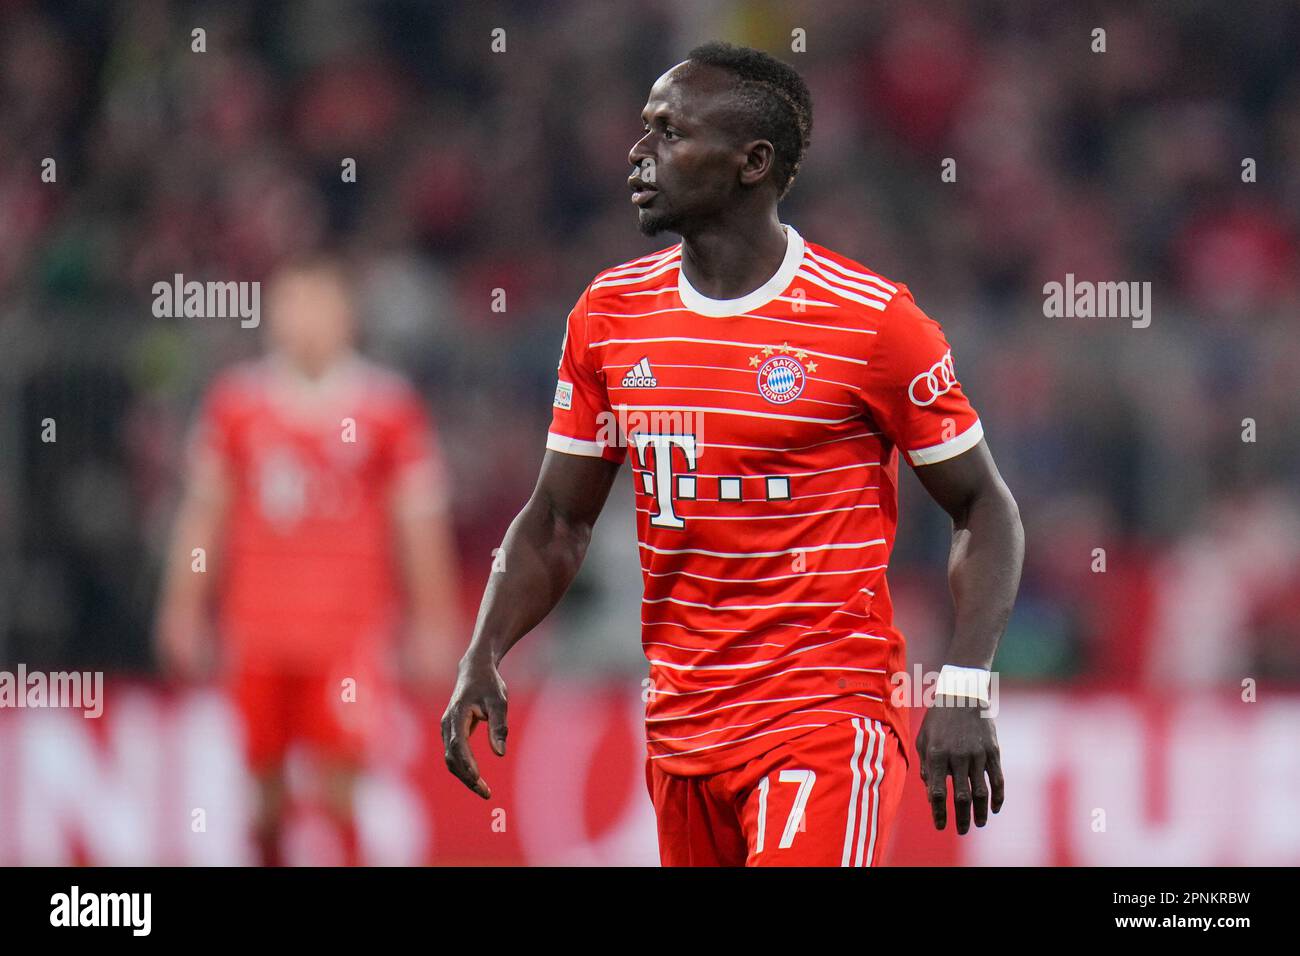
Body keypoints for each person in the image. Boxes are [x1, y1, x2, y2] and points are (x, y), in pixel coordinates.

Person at [442, 42, 1023, 866]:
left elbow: (984, 507)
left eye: (670, 134)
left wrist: (965, 681)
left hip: (823, 719)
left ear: (752, 163)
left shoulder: (873, 323)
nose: (639, 155)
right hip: (680, 733)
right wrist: (484, 649)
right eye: (645, 130)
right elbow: (557, 520)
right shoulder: (610, 315)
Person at [156, 254, 461, 865]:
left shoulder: (387, 409)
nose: (305, 322)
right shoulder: (236, 405)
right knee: (263, 796)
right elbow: (202, 519)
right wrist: (182, 607)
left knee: (339, 790)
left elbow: (420, 527)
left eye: (318, 305)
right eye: (292, 306)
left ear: (347, 316)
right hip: (257, 630)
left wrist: (437, 620)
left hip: (349, 634)